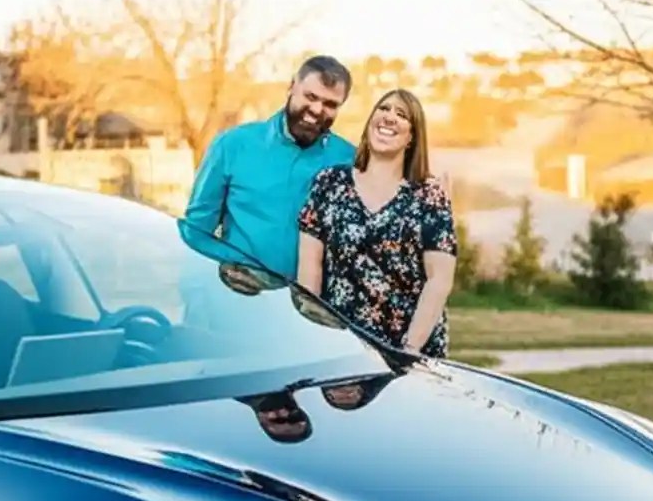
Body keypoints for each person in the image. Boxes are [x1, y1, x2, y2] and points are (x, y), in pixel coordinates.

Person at [179, 56, 357, 324]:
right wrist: (239, 268)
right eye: (310, 96)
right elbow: (195, 232)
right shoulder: (233, 145)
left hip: (310, 318)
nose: (317, 109)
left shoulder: (349, 160)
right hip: (235, 303)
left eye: (330, 104)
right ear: (291, 87)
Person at [297, 88, 458, 358]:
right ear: (370, 121)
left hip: (410, 354)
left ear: (412, 137)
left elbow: (439, 281)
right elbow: (310, 272)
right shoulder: (329, 183)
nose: (389, 117)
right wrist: (313, 336)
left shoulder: (429, 194)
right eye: (383, 109)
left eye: (401, 114)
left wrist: (409, 351)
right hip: (340, 349)